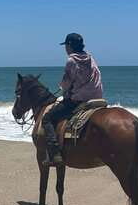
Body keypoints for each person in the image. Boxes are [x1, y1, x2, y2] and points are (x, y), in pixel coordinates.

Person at [42, 33, 103, 166]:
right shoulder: (90, 57)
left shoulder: (71, 60)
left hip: (79, 100)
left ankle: (55, 154)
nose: (65, 49)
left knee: (47, 118)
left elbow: (66, 83)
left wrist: (63, 89)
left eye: (66, 46)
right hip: (97, 97)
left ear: (69, 46)